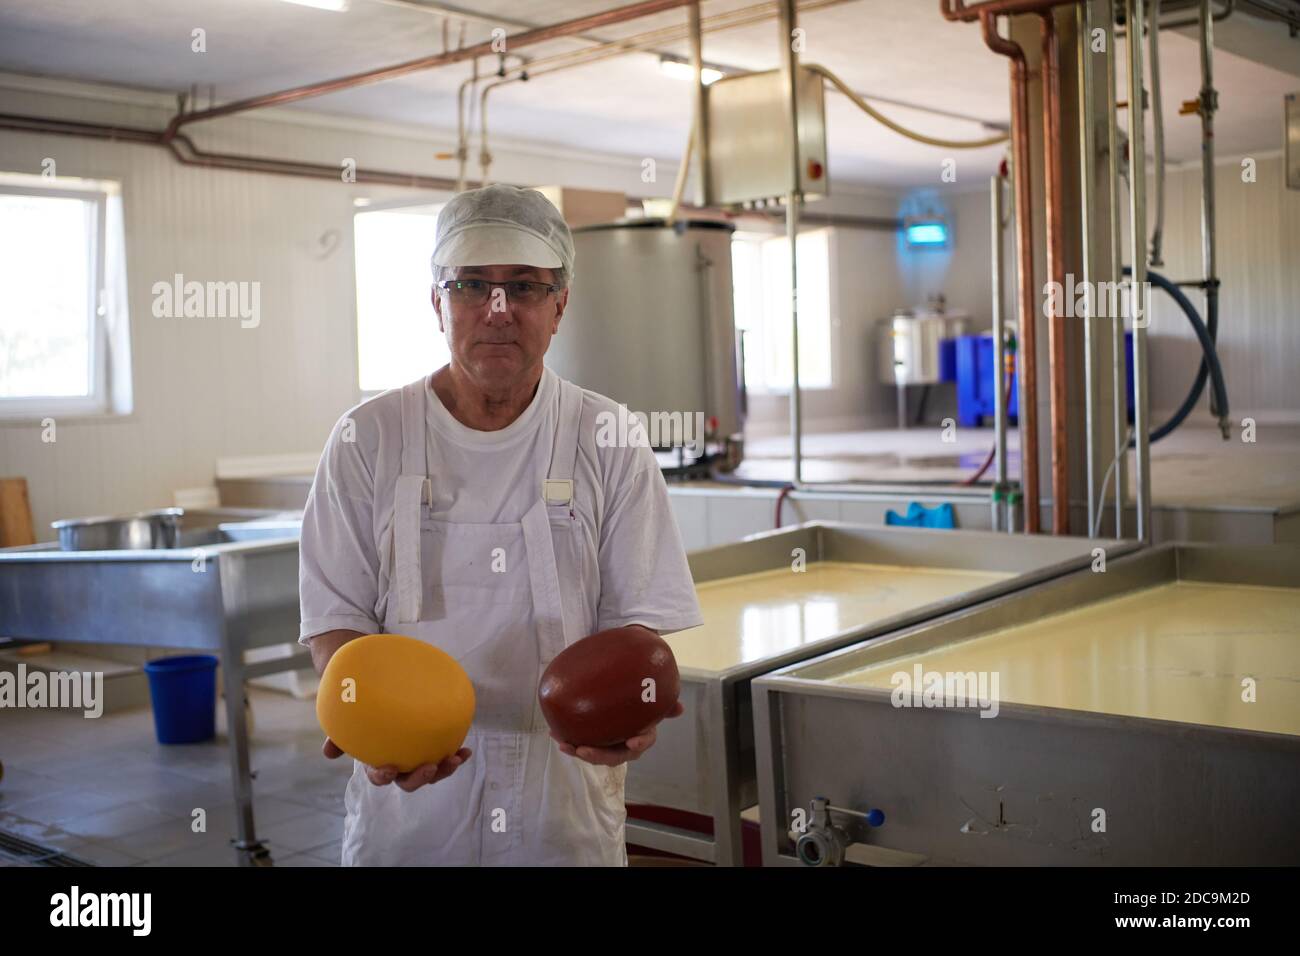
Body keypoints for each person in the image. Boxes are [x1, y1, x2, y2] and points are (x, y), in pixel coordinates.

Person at [298, 183, 703, 865]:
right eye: (471, 285)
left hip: (562, 793)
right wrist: (366, 721)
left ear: (561, 305)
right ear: (437, 302)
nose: (498, 310)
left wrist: (631, 708)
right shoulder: (365, 438)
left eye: (524, 286)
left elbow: (638, 622)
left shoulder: (609, 435)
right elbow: (335, 620)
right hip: (410, 801)